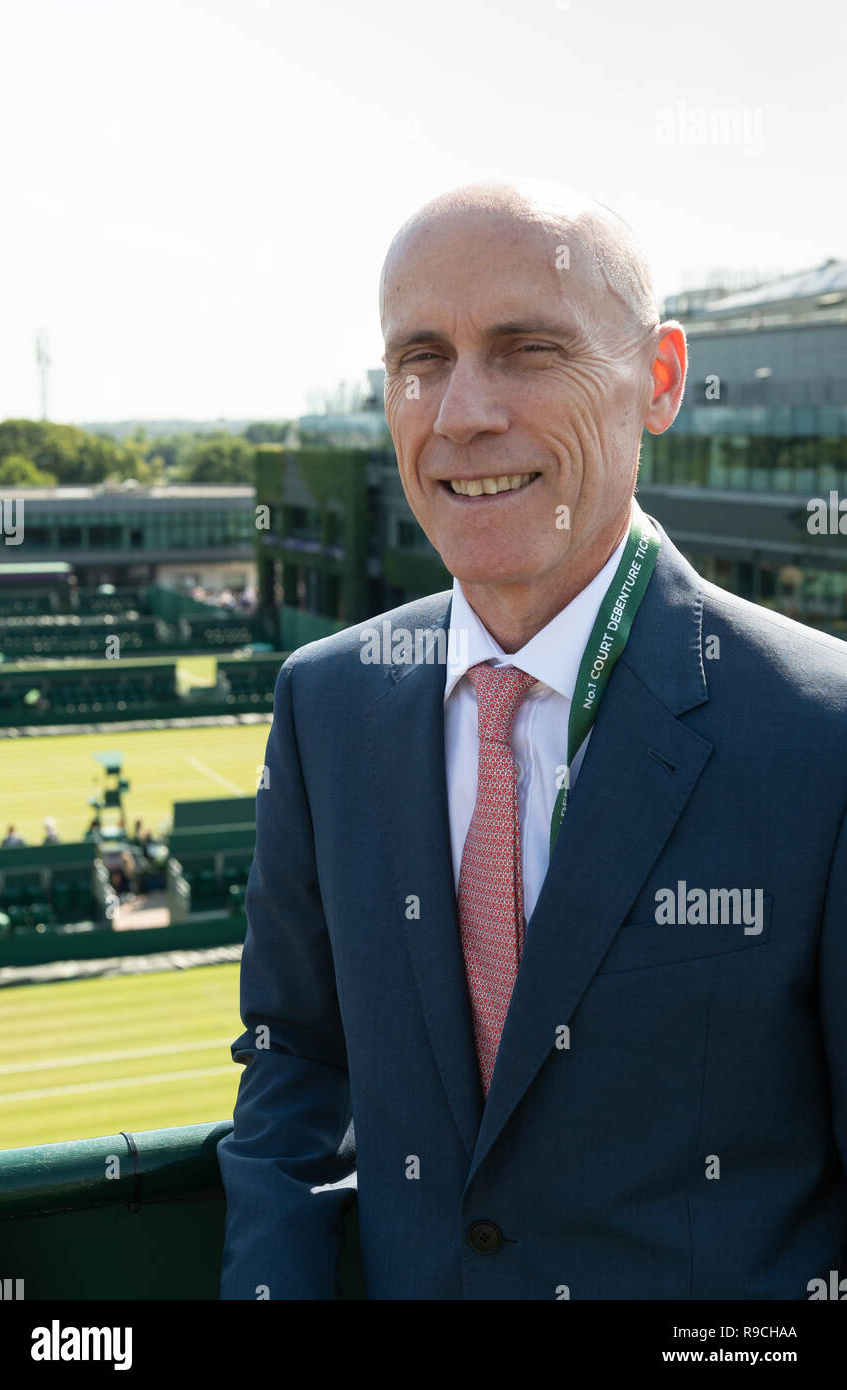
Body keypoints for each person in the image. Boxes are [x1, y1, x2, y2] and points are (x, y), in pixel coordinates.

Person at [217, 179, 847, 1301]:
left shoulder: (821, 733)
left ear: (657, 381)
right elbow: (297, 1061)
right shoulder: (326, 705)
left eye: (525, 349)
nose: (461, 411)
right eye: (421, 358)